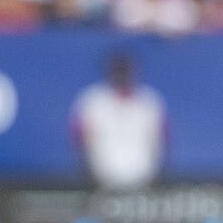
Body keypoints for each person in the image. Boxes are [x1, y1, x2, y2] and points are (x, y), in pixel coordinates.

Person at [71, 53, 168, 190]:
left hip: (143, 178)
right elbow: (79, 141)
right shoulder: (92, 101)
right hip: (103, 179)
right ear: (110, 72)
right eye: (118, 71)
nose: (122, 76)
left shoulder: (149, 101)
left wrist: (155, 177)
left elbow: (162, 141)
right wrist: (89, 178)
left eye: (125, 71)